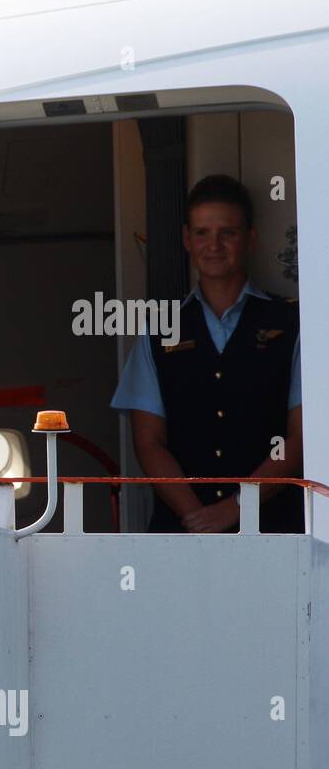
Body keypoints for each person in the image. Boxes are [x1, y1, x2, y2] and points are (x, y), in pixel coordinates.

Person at [111, 174, 302, 533]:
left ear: (250, 238)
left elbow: (301, 438)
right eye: (202, 232)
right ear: (186, 239)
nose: (214, 244)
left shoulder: (293, 324)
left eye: (227, 232)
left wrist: (235, 509)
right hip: (182, 534)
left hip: (276, 533)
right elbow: (149, 443)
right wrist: (198, 518)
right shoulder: (158, 331)